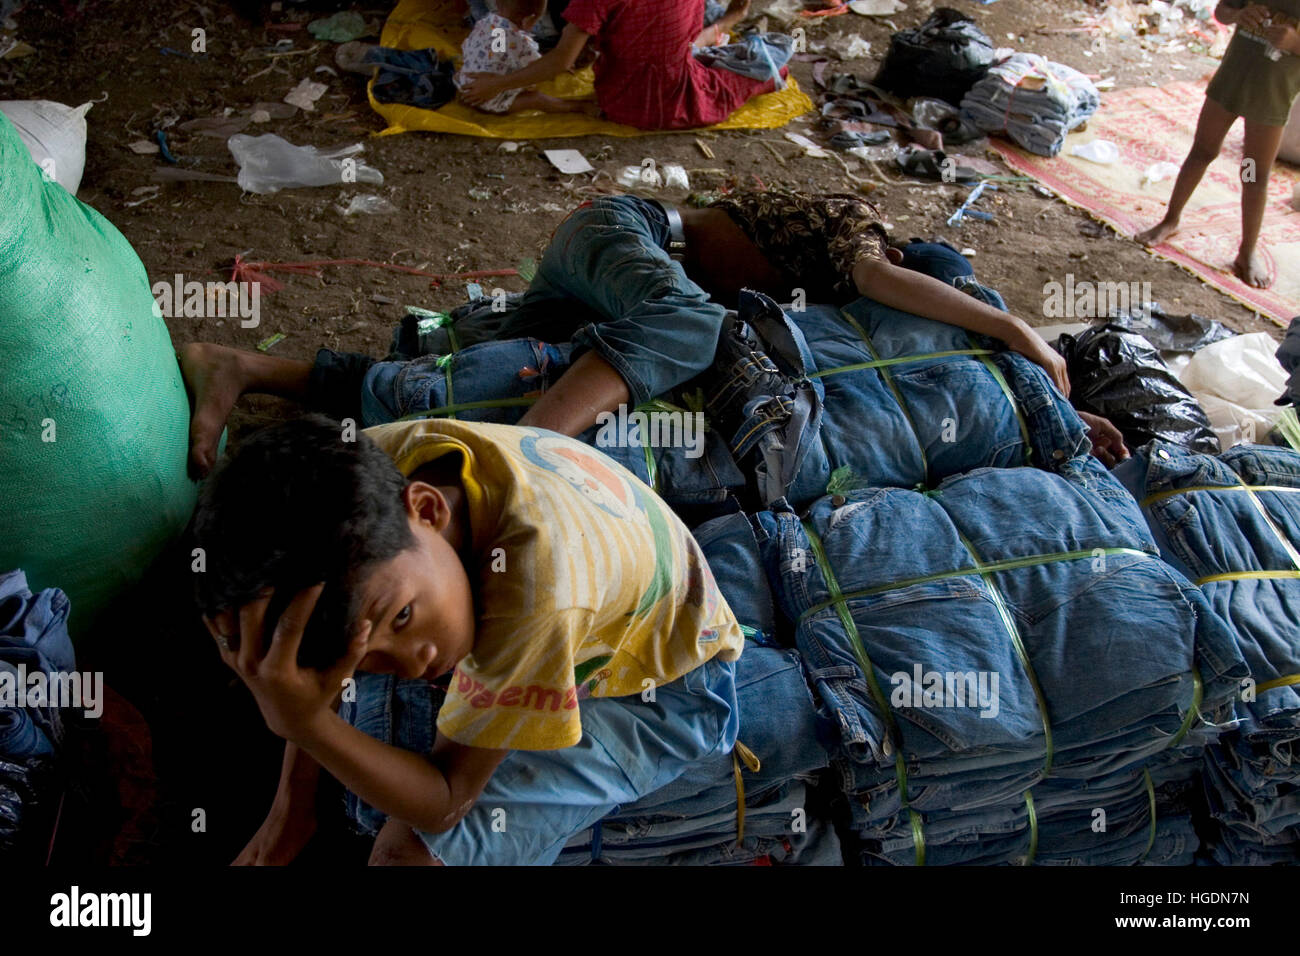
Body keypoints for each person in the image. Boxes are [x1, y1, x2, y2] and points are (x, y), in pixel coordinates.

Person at [182, 189, 1129, 478]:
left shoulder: (867, 298)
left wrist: (1047, 422)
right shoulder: (858, 233)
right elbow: (886, 283)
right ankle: (530, 455)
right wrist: (1022, 333)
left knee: (479, 369)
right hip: (627, 240)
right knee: (697, 323)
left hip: (604, 288)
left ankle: (246, 367)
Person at [192, 413, 743, 865]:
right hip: (597, 591)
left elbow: (446, 803)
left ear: (426, 508)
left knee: (405, 857)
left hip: (666, 689)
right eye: (363, 660)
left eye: (403, 619)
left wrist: (305, 724)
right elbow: (312, 647)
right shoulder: (357, 477)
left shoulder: (539, 590)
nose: (409, 666)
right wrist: (291, 808)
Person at [1136, 1, 1300, 288]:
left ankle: (1246, 252)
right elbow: (1222, 10)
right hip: (1230, 83)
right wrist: (1238, 15)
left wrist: (1295, 42)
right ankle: (1170, 220)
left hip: (1270, 97)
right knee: (1203, 151)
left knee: (1253, 174)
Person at [459, 0, 777, 130]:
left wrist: (494, 84)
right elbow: (686, 42)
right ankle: (733, 20)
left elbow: (559, 63)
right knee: (766, 64)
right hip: (670, 90)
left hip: (625, 100)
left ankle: (731, 20)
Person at [455, 0, 589, 114]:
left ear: (496, 3)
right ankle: (577, 106)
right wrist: (562, 62)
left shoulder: (484, 23)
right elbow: (540, 66)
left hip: (468, 84)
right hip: (490, 96)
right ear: (529, 19)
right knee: (536, 99)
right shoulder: (521, 42)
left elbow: (479, 49)